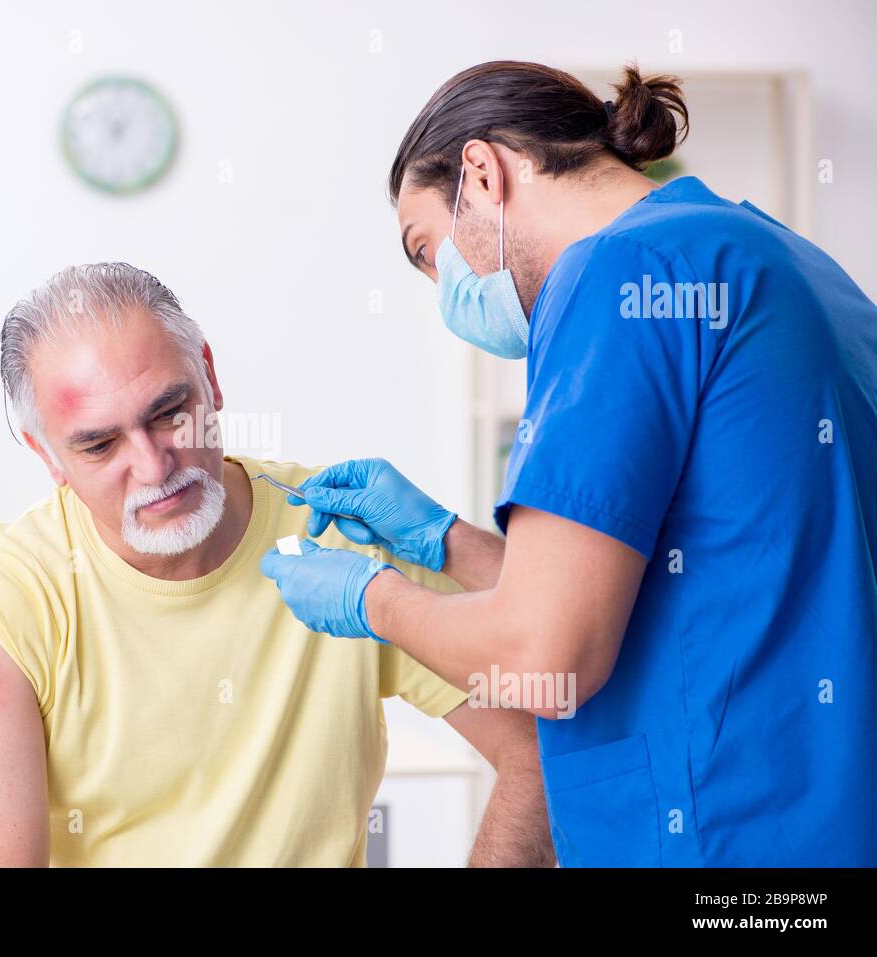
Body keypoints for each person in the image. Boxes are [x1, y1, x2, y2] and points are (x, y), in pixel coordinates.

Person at [261, 61, 877, 866]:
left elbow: (544, 651)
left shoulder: (616, 276)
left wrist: (369, 596)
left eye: (427, 253)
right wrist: (442, 538)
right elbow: (639, 589)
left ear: (482, 172)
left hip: (723, 835)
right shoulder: (779, 257)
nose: (442, 289)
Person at [0, 262, 555, 866]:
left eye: (170, 413)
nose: (153, 468)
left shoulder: (346, 530)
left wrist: (448, 541)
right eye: (99, 444)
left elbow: (540, 753)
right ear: (47, 457)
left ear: (210, 377)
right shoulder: (0, 605)